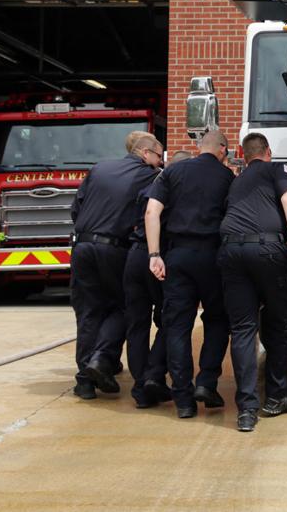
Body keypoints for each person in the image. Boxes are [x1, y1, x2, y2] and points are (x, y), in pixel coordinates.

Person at [218, 132, 287, 432]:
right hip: (268, 251)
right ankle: (277, 395)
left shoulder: (237, 181)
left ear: (244, 155)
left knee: (243, 330)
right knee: (278, 323)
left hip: (231, 250)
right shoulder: (276, 171)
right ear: (268, 152)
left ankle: (246, 410)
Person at [146, 132, 234, 418]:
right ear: (221, 149)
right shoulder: (227, 178)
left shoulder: (173, 171)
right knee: (218, 320)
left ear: (199, 147)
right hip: (213, 256)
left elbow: (151, 212)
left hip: (178, 255)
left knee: (177, 326)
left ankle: (183, 399)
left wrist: (155, 255)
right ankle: (206, 383)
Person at [69, 132, 163, 400]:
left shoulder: (99, 169)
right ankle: (100, 359)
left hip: (82, 246)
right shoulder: (148, 175)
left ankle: (85, 381)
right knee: (122, 306)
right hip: (114, 248)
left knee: (88, 311)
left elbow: (76, 209)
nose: (159, 162)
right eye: (158, 156)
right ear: (146, 153)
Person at [121, 150, 189, 411]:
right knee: (171, 320)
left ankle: (142, 388)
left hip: (134, 256)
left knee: (136, 325)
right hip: (160, 257)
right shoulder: (178, 190)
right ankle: (152, 376)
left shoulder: (147, 186)